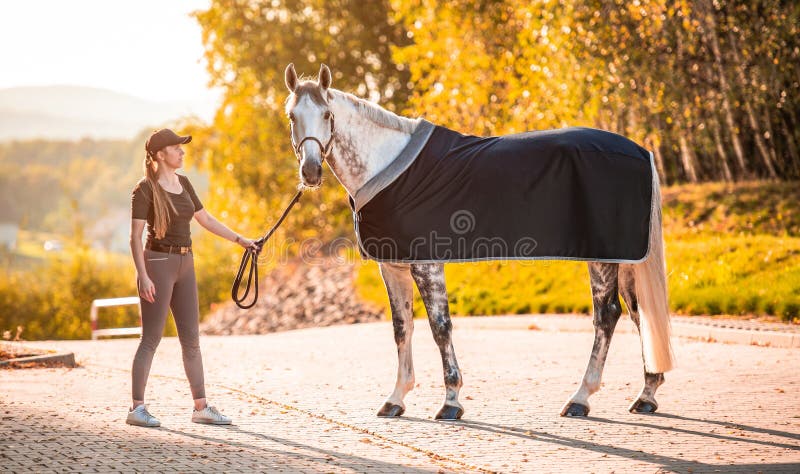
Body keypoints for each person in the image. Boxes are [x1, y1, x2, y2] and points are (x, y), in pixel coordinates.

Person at [127, 128, 258, 427]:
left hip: (186, 262)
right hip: (158, 263)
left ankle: (201, 408)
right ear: (160, 155)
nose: (182, 152)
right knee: (151, 339)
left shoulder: (184, 183)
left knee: (192, 340)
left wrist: (242, 240)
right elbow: (135, 236)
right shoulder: (144, 189)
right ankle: (137, 409)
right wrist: (142, 274)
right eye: (176, 148)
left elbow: (205, 219)